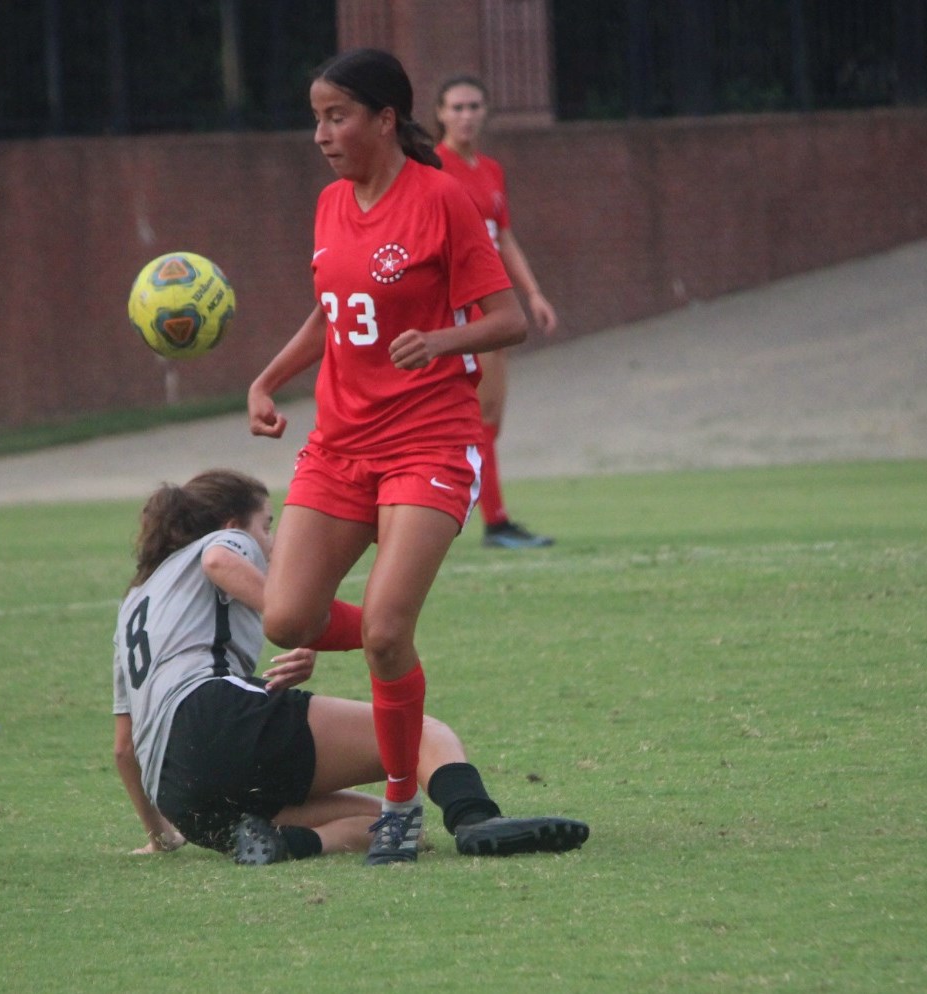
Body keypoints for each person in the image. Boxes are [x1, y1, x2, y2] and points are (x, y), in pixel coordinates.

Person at [246, 49, 530, 865]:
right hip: (339, 444)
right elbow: (330, 312)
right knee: (285, 618)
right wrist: (267, 378)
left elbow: (508, 319)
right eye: (315, 118)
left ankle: (400, 805)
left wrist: (440, 340)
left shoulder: (442, 199)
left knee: (384, 634)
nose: (320, 134)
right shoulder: (330, 204)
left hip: (427, 439)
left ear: (383, 118)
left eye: (335, 117)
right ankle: (377, 632)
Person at [112, 469, 589, 864]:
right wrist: (295, 620)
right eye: (267, 526)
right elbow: (219, 560)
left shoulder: (135, 601)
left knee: (395, 824)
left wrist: (160, 834)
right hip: (212, 718)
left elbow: (124, 747)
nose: (271, 543)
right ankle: (475, 818)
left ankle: (286, 844)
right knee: (423, 733)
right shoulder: (225, 539)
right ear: (235, 523)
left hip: (181, 796)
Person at [435, 74, 560, 550]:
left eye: (474, 106)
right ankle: (495, 522)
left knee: (491, 418)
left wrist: (534, 293)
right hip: (465, 307)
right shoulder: (433, 167)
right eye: (457, 107)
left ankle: (487, 516)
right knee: (478, 417)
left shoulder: (490, 169)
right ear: (440, 114)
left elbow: (502, 236)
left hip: (495, 302)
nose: (466, 116)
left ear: (486, 112)